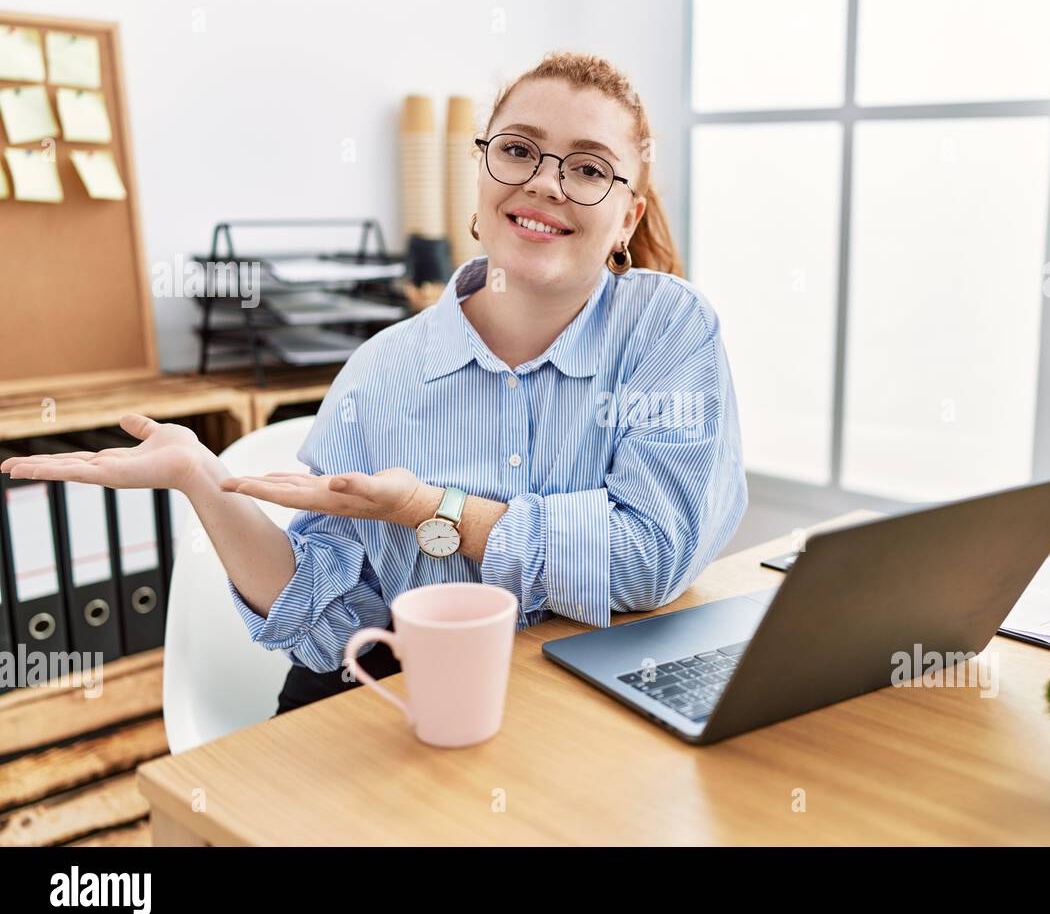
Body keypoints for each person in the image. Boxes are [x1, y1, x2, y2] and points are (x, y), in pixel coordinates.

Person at [0, 51, 747, 716]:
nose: (546, 182)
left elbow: (649, 559)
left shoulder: (666, 331)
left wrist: (433, 509)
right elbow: (329, 618)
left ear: (628, 217)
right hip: (387, 699)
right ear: (483, 178)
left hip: (577, 705)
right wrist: (201, 478)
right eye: (518, 151)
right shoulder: (383, 369)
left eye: (587, 168)